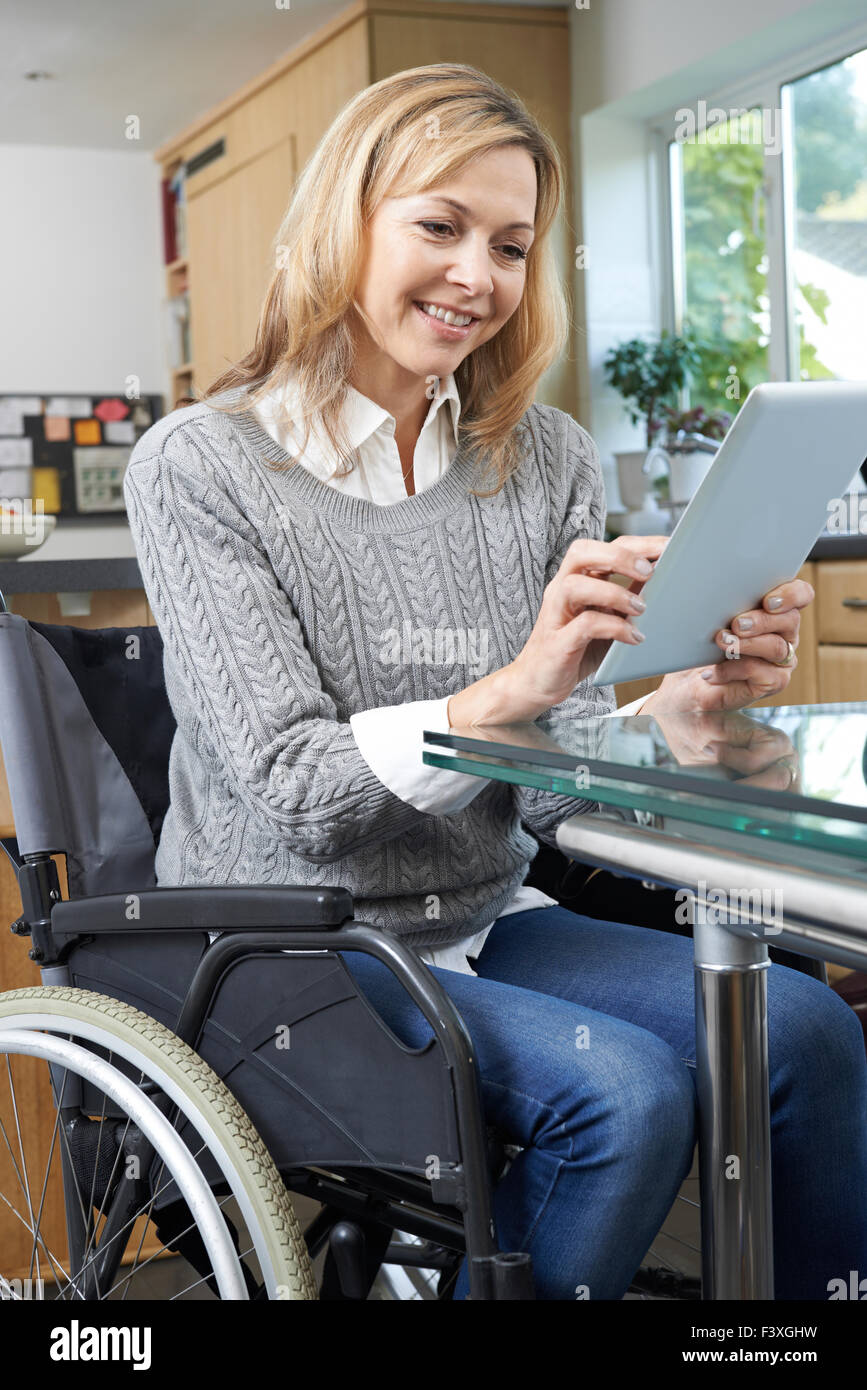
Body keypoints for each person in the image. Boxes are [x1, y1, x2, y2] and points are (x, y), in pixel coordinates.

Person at [124, 63, 867, 1300]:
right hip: (285, 946)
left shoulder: (545, 457)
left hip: (485, 919)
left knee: (808, 1032)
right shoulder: (201, 467)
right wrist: (507, 689)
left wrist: (671, 723)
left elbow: (555, 794)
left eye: (513, 244)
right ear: (344, 225)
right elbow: (302, 794)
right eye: (439, 226)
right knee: (620, 1100)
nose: (479, 274)